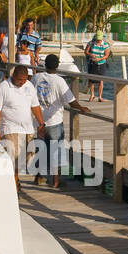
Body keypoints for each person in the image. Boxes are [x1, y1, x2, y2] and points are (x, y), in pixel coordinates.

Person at [32, 53, 89, 188]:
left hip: (39, 120)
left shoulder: (36, 77)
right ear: (57, 66)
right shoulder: (59, 81)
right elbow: (71, 100)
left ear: (45, 64)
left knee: (41, 149)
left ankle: (38, 177)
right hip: (54, 121)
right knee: (56, 150)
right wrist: (81, 108)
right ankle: (56, 181)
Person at [0, 64, 46, 190]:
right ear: (13, 75)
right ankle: (14, 187)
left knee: (26, 159)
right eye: (19, 80)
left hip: (27, 129)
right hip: (10, 128)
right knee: (14, 158)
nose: (22, 82)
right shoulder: (4, 87)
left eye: (24, 79)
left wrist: (41, 124)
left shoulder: (29, 85)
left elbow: (35, 106)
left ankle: (16, 180)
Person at [84, 31, 111, 101]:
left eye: (100, 39)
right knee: (91, 80)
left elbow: (107, 55)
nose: (98, 40)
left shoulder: (105, 45)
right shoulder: (91, 43)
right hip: (92, 63)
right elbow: (86, 52)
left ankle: (100, 97)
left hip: (101, 64)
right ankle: (92, 95)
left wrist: (100, 59)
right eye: (97, 39)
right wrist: (91, 55)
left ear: (102, 38)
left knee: (101, 80)